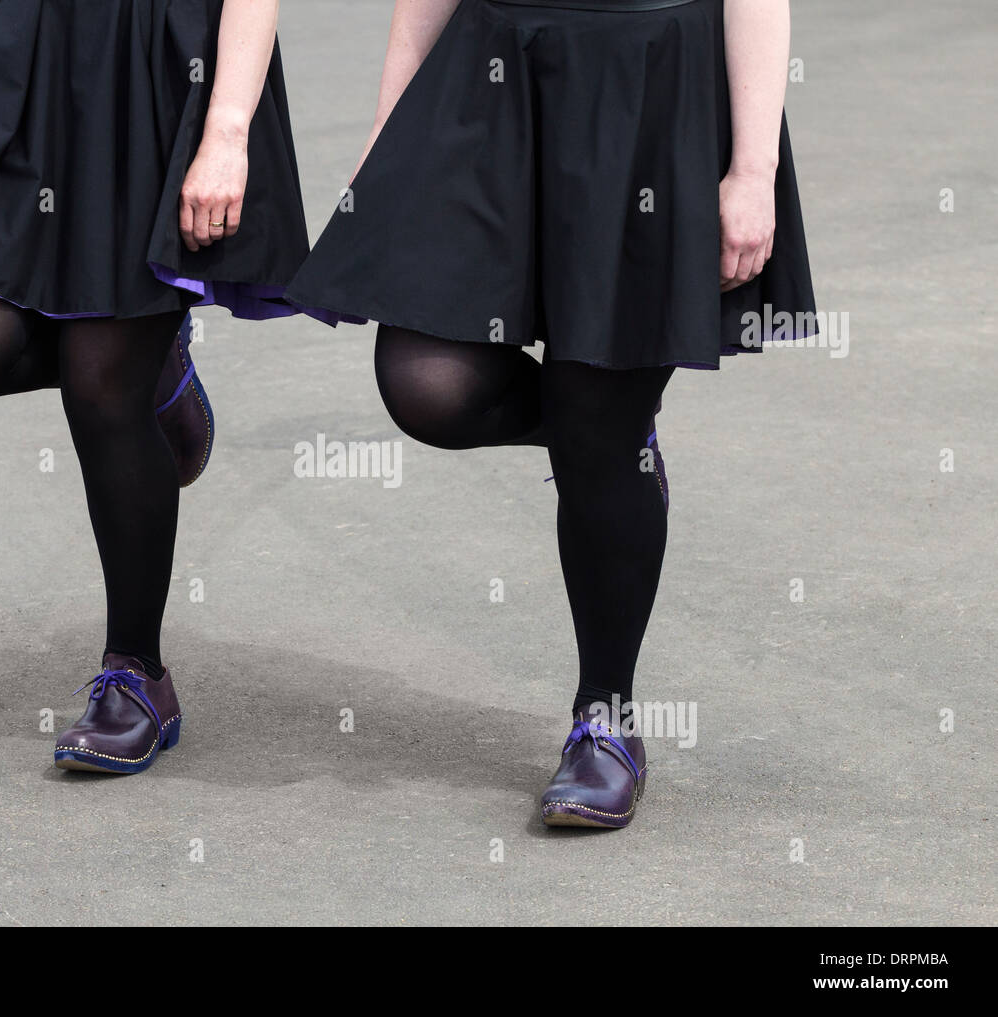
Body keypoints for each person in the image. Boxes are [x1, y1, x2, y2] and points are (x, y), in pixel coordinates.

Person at [285, 0, 816, 827]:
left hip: (651, 88)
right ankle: (604, 441)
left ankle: (605, 725)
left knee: (596, 420)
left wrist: (750, 169)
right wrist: (387, 136)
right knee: (428, 383)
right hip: (493, 77)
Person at [0, 0, 309, 774]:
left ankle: (136, 675)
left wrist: (227, 128)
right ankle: (156, 370)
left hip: (167, 64)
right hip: (28, 51)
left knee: (103, 383)